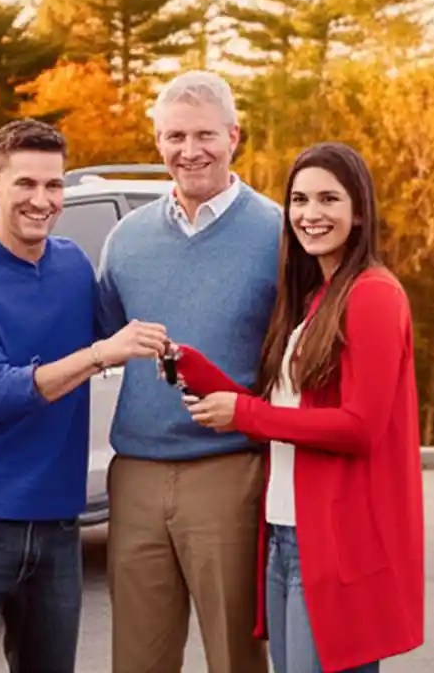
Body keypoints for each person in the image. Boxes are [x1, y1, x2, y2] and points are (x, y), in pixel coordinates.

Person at [0, 118, 169, 673]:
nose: (41, 200)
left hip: (57, 524)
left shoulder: (72, 264)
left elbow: (132, 317)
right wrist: (100, 354)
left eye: (53, 186)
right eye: (25, 184)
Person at [178, 141, 425, 672]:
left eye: (328, 200)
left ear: (359, 213)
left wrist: (242, 415)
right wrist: (193, 368)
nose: (310, 215)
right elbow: (289, 413)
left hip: (337, 544)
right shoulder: (316, 298)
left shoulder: (373, 295)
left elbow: (360, 427)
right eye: (299, 200)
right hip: (285, 534)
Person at [95, 70, 281, 673]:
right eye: (175, 136)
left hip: (230, 472)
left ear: (233, 136)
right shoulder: (125, 239)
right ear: (158, 143)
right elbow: (99, 337)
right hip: (137, 476)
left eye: (205, 134)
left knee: (236, 655)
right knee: (138, 658)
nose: (189, 150)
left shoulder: (279, 233)